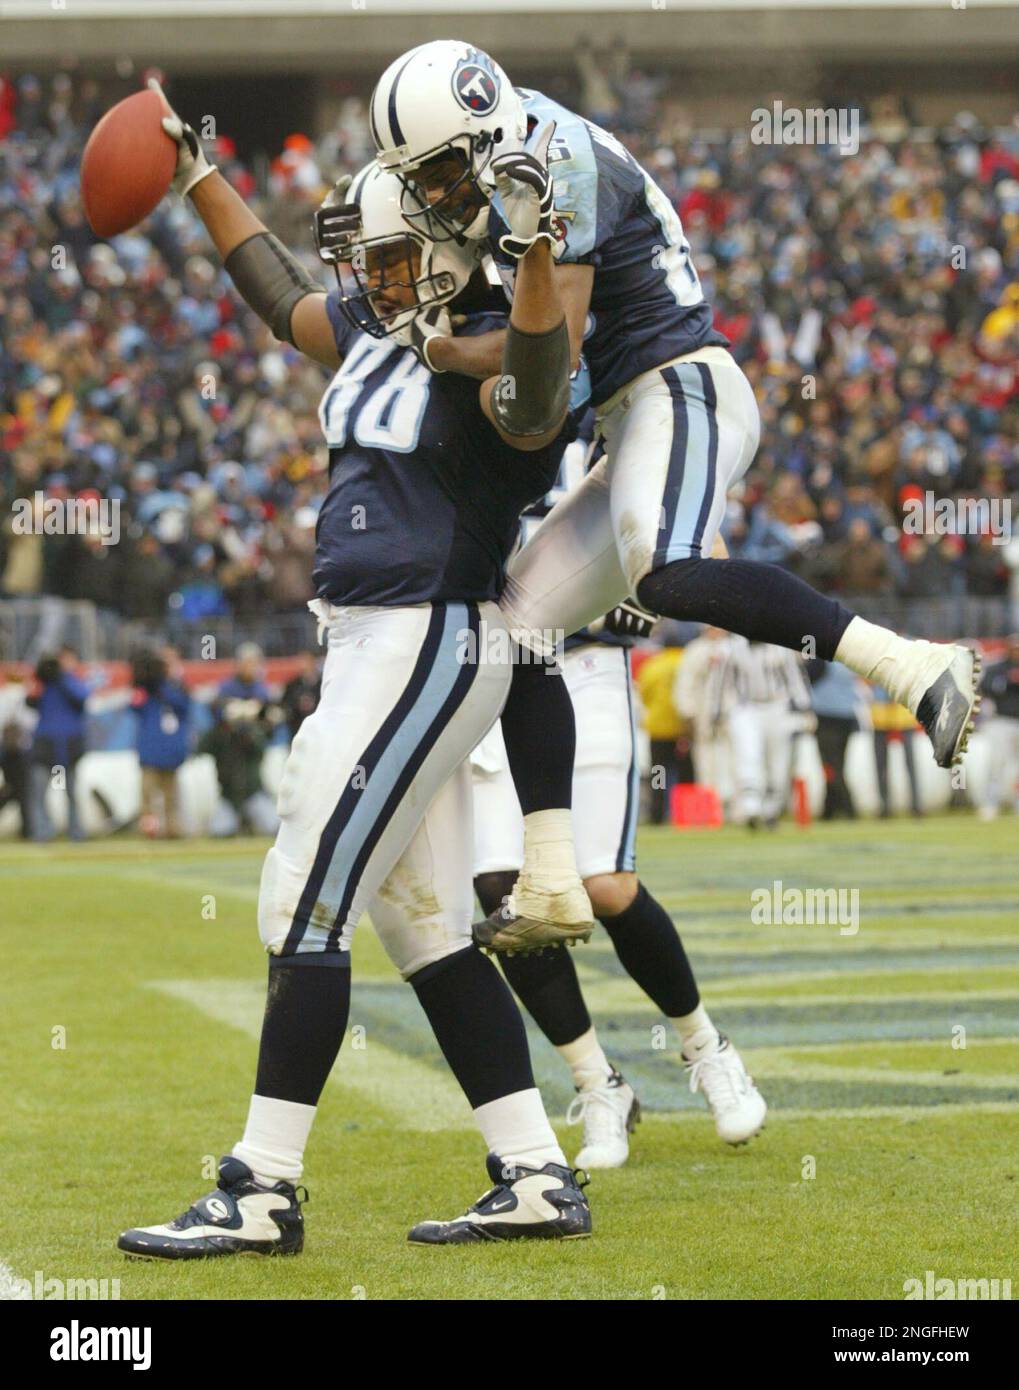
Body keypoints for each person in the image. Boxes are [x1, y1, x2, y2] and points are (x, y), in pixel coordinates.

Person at [368, 39, 981, 945]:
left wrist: (445, 350)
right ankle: (549, 880)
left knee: (667, 573)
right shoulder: (501, 153)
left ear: (485, 127)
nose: (433, 192)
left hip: (680, 382)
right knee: (512, 630)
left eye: (442, 169)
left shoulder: (557, 160)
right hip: (626, 419)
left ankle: (915, 664)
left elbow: (551, 358)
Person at [118, 88, 590, 1257]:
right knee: (420, 924)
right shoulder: (386, 332)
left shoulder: (492, 345)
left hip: (423, 633)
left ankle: (261, 1185)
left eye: (386, 259)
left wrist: (530, 248)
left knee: (299, 900)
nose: (367, 281)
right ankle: (534, 1168)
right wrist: (194, 182)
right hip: (376, 640)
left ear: (438, 256)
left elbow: (536, 383)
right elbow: (278, 291)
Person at [472, 436, 766, 1167]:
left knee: (604, 885)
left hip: (584, 665)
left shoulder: (620, 420)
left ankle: (705, 1047)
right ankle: (597, 1084)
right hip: (488, 671)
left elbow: (703, 547)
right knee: (504, 895)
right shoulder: (472, 400)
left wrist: (652, 586)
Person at [26, 646, 90, 842]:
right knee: (39, 791)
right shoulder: (46, 682)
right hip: (46, 746)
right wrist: (43, 677)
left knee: (69, 790)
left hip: (68, 746)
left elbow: (82, 696)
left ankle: (75, 831)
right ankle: (43, 831)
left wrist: (63, 676)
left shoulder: (70, 681)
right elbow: (30, 701)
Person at [130, 646, 191, 838]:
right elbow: (134, 707)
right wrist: (147, 684)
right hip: (150, 750)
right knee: (147, 796)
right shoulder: (146, 689)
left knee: (171, 796)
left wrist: (164, 684)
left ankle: (173, 830)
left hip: (170, 750)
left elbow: (183, 705)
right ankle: (150, 832)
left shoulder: (177, 687)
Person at [979, 635, 1019, 819]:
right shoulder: (998, 667)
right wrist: (1008, 681)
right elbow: (985, 686)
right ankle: (990, 803)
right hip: (1002, 721)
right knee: (996, 764)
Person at [280, 650, 321, 741]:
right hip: (297, 726)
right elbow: (285, 704)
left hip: (318, 726)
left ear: (313, 662)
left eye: (306, 661)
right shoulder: (292, 684)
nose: (303, 665)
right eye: (301, 661)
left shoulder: (322, 684)